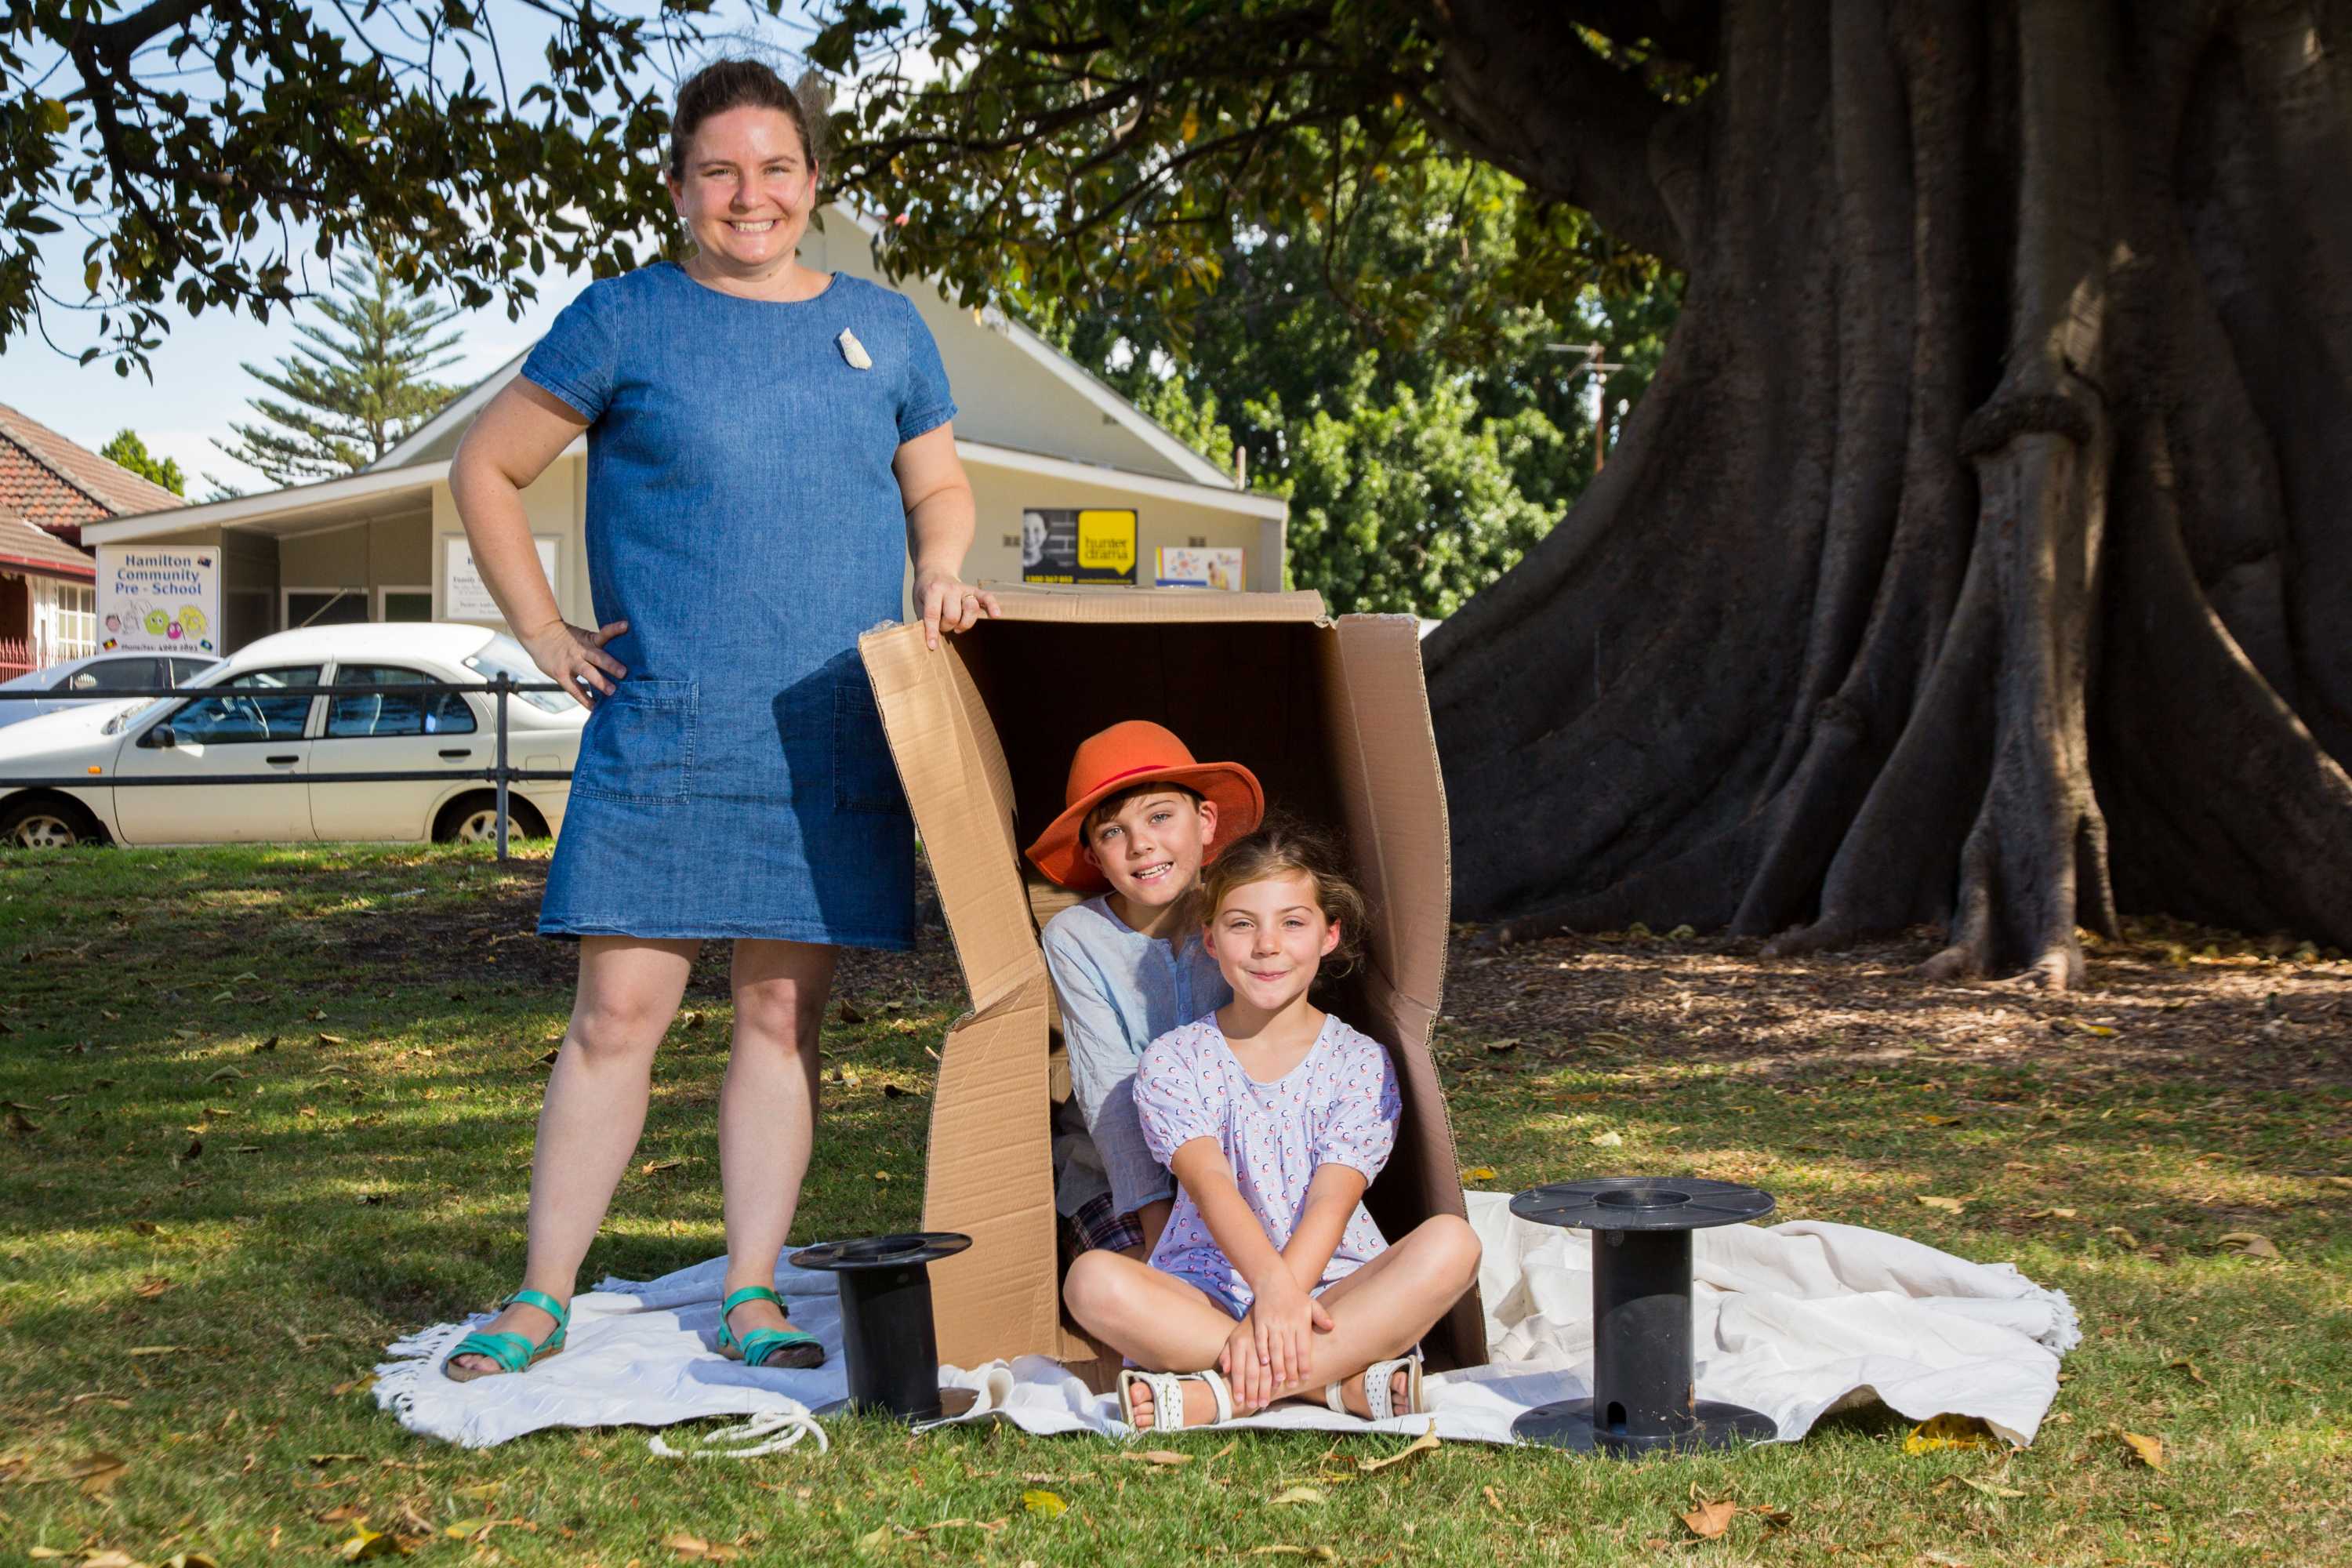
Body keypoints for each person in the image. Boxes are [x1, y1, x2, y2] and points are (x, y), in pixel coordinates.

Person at [440, 57, 997, 1381]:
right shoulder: (625, 319)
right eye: (721, 170)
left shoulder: (885, 328)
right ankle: (542, 1296)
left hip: (830, 728)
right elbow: (486, 467)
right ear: (680, 184)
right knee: (616, 1015)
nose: (752, 195)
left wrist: (938, 568)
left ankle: (753, 1290)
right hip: (670, 722)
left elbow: (940, 489)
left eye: (777, 167)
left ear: (815, 180)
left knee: (781, 1020)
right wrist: (545, 631)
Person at [1062, 821, 1482, 1429]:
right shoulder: (1174, 1060)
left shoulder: (1359, 1061)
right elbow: (1210, 1185)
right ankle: (1330, 1383)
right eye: (1242, 924)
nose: (1267, 945)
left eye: (1292, 923)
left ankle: (1225, 1395)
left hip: (1333, 1288)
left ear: (1329, 934)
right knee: (1092, 1281)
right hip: (1208, 1291)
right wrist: (1270, 1292)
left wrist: (1286, 1296)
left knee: (1454, 1245)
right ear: (1210, 940)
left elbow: (1333, 1199)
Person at [1024, 721, 1264, 1262]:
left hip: (1247, 1164)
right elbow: (1106, 1086)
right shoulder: (1077, 937)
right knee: (1126, 1283)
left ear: (1205, 822)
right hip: (1116, 1174)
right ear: (1093, 856)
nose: (1141, 845)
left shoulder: (1246, 918)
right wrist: (1159, 1226)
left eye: (1160, 817)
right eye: (1113, 832)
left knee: (1254, 1271)